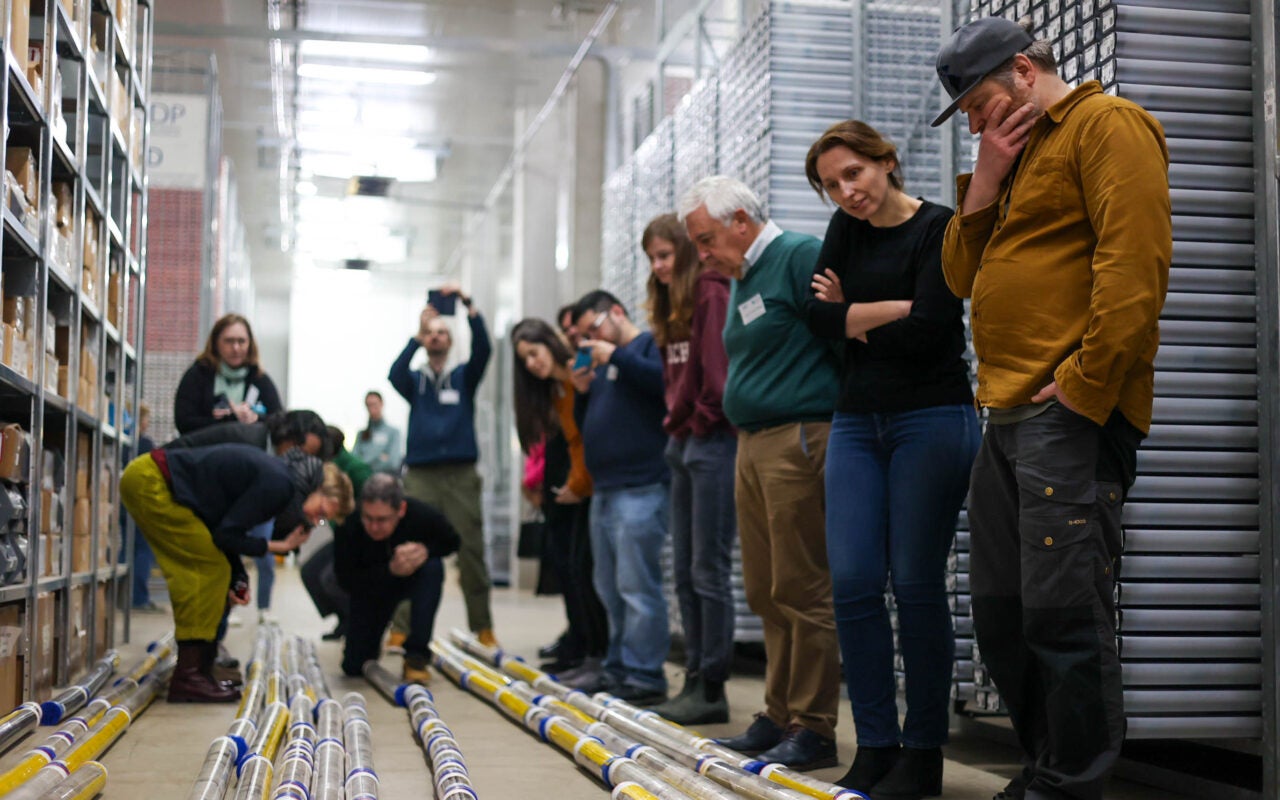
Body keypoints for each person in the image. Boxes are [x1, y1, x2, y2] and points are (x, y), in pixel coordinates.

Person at [931, 17, 1171, 800]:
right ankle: (1044, 770)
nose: (973, 120)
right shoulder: (1012, 155)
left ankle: (1071, 786)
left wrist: (1084, 383)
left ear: (1026, 72)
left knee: (1065, 612)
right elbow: (960, 278)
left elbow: (1134, 265)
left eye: (977, 102)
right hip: (1005, 413)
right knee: (1003, 612)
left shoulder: (1108, 126)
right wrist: (986, 178)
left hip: (1064, 412)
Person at [801, 120, 981, 797]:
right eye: (831, 185)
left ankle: (923, 749)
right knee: (850, 582)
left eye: (855, 173)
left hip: (931, 418)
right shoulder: (846, 231)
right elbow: (817, 321)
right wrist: (887, 311)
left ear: (886, 161)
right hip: (856, 421)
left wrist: (854, 313)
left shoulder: (938, 227)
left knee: (914, 583)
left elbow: (934, 327)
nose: (847, 192)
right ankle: (875, 744)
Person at [678, 175, 841, 770]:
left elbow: (841, 338)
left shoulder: (797, 256)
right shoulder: (744, 275)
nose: (702, 254)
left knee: (803, 586)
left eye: (705, 239)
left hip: (797, 438)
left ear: (740, 223)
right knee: (766, 589)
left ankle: (814, 725)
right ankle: (777, 714)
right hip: (752, 443)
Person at [119, 444, 353, 702]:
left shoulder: (281, 478)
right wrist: (278, 546)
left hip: (149, 479)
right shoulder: (281, 485)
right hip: (151, 483)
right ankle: (189, 676)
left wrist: (238, 575)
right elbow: (226, 535)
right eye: (320, 513)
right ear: (320, 488)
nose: (312, 519)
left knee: (215, 568)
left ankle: (200, 669)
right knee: (206, 571)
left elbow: (223, 531)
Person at [640, 213, 737, 726]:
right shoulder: (669, 307)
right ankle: (693, 675)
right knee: (682, 569)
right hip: (681, 442)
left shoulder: (711, 291)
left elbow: (717, 379)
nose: (658, 266)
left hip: (713, 440)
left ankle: (712, 684)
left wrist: (693, 420)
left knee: (708, 568)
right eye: (651, 257)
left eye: (664, 254)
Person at [569, 291, 670, 705]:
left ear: (616, 312)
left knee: (637, 585)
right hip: (606, 487)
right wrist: (580, 391)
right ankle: (617, 666)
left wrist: (615, 356)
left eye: (592, 328)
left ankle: (645, 675)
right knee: (608, 585)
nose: (589, 339)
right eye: (582, 336)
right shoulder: (605, 363)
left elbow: (663, 386)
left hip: (641, 483)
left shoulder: (646, 347)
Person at [389, 284, 497, 647]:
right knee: (408, 545)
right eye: (431, 334)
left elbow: (484, 348)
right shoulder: (416, 382)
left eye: (440, 333)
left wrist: (469, 306)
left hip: (460, 475)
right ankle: (401, 627)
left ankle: (483, 626)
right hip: (420, 474)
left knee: (471, 550)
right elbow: (394, 373)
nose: (435, 338)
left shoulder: (464, 377)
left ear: (450, 341)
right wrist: (415, 338)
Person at [163, 409, 329, 628]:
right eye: (301, 451)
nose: (301, 461)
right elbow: (225, 525)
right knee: (214, 570)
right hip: (172, 489)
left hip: (194, 498)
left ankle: (210, 643)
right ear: (289, 436)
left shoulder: (270, 458)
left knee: (225, 569)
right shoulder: (250, 444)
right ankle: (201, 646)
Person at [510, 318, 608, 678]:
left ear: (549, 342)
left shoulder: (576, 376)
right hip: (569, 487)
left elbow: (584, 440)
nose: (533, 363)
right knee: (570, 567)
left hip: (588, 487)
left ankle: (598, 653)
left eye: (534, 353)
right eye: (526, 360)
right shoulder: (553, 390)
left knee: (586, 570)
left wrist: (579, 484)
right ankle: (585, 649)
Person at [335, 474, 460, 684]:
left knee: (433, 568)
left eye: (382, 519)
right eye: (368, 518)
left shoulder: (421, 514)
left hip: (414, 582)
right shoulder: (349, 524)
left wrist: (424, 550)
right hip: (371, 588)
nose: (374, 527)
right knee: (354, 666)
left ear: (400, 510)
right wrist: (389, 571)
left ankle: (416, 655)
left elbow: (452, 541)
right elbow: (346, 580)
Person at [301, 426, 374, 641]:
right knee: (310, 572)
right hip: (342, 537)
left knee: (330, 578)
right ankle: (344, 618)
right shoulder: (322, 467)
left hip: (361, 539)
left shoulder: (356, 469)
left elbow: (374, 503)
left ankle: (361, 624)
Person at [174, 313, 283, 435]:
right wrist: (229, 419)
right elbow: (183, 422)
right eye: (229, 341)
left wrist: (255, 418)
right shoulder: (197, 376)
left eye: (241, 341)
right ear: (216, 343)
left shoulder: (260, 379)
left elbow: (280, 422)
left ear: (250, 344)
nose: (236, 348)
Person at [124, 402, 160, 611]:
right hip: (140, 502)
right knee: (144, 550)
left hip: (122, 501)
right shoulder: (144, 444)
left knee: (126, 550)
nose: (147, 423)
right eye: (146, 419)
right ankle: (139, 598)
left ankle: (121, 596)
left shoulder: (123, 441)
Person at [352, 391, 402, 474]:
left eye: (374, 404)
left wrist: (365, 461)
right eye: (368, 405)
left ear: (381, 404)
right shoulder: (361, 434)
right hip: (363, 478)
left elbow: (393, 462)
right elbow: (354, 460)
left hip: (384, 480)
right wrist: (379, 457)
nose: (371, 408)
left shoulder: (393, 433)